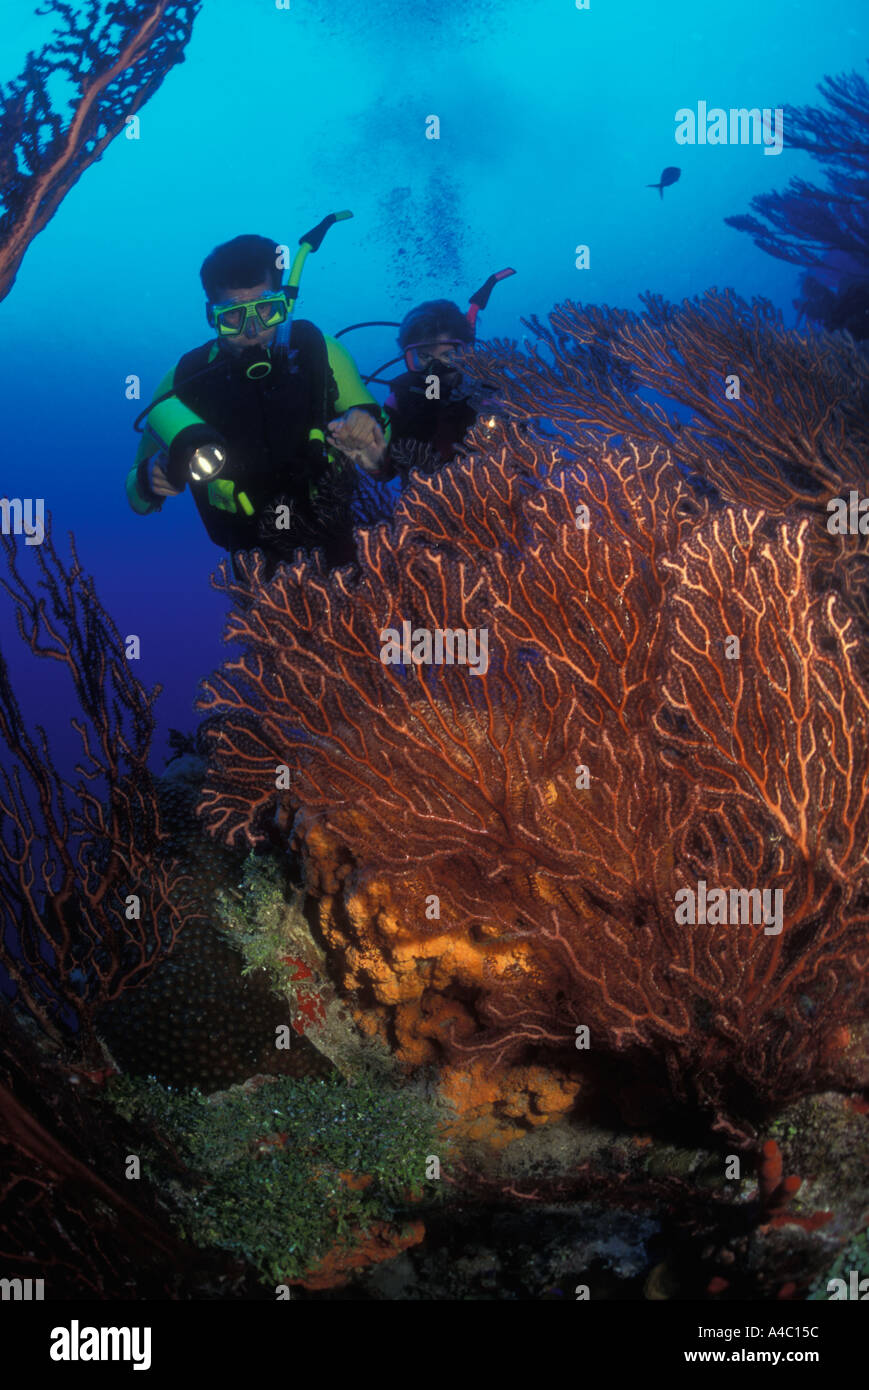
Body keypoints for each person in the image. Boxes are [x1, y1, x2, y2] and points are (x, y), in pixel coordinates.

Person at [127, 233, 389, 571]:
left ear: (283, 305)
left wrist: (370, 437)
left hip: (341, 540)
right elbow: (137, 498)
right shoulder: (183, 380)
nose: (252, 330)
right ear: (212, 316)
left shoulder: (318, 351)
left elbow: (385, 451)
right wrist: (150, 479)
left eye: (265, 309)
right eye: (233, 316)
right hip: (252, 561)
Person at [384, 299, 479, 470]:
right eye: (425, 357)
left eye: (447, 356)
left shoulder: (489, 392)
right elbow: (387, 471)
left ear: (466, 352)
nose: (435, 371)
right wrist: (372, 458)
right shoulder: (400, 401)